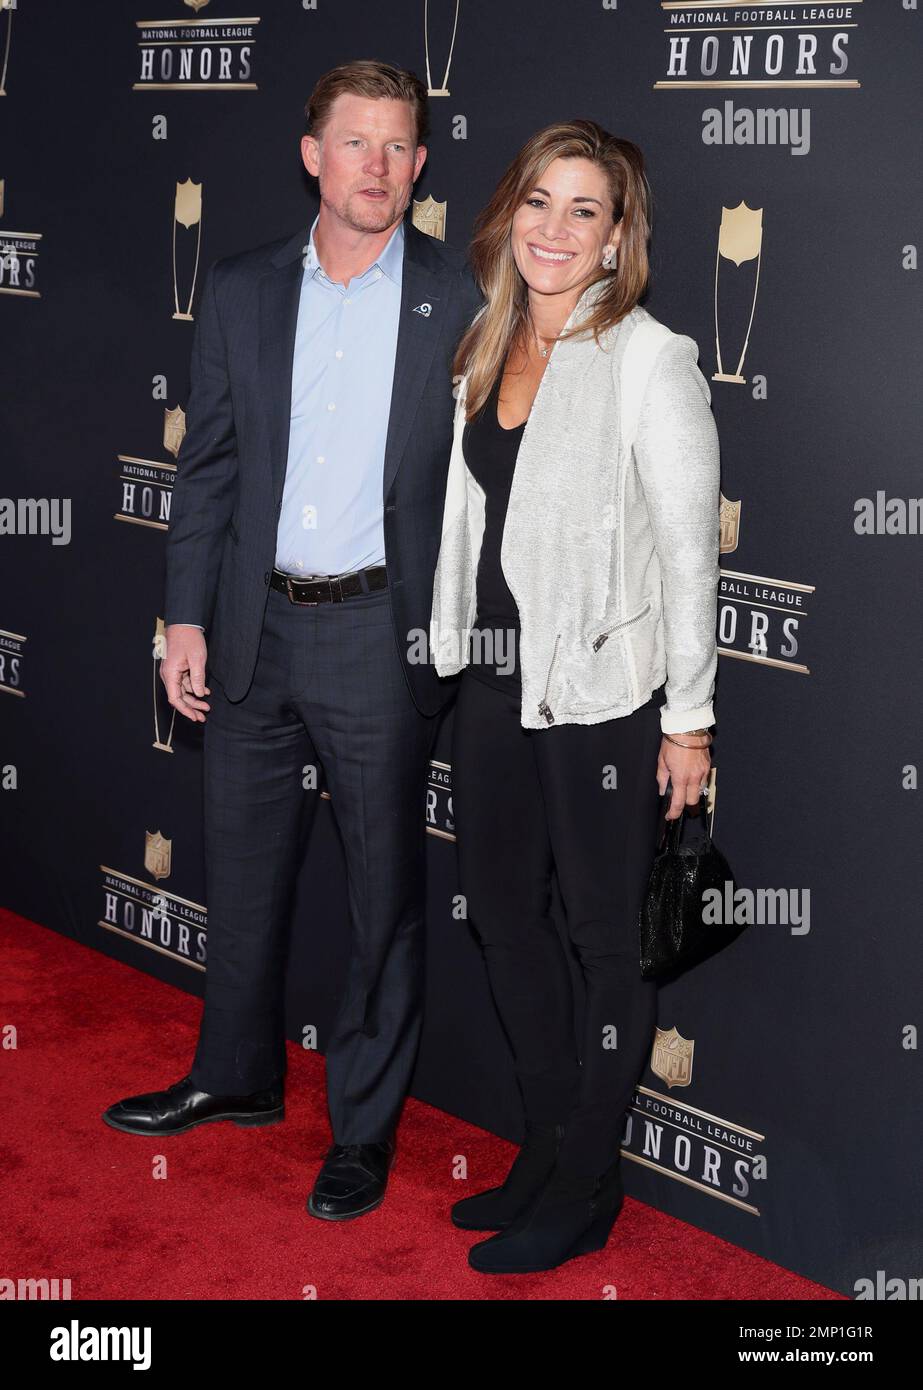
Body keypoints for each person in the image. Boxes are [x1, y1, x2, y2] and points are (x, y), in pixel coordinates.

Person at [102, 60, 481, 1222]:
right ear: (309, 153)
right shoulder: (242, 289)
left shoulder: (462, 297)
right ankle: (236, 1075)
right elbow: (205, 468)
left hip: (380, 631)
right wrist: (182, 616)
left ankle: (361, 1130)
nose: (376, 164)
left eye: (397, 145)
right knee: (245, 868)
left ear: (420, 165)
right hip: (252, 623)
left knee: (382, 900)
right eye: (353, 141)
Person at [429, 120, 721, 1273]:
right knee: (502, 919)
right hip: (495, 685)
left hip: (602, 691)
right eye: (537, 202)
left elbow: (692, 552)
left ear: (616, 237)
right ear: (508, 214)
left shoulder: (648, 359)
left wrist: (687, 717)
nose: (553, 228)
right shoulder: (485, 346)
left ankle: (588, 1177)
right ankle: (546, 1144)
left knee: (605, 943)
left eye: (582, 210)